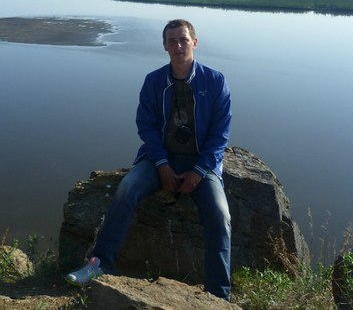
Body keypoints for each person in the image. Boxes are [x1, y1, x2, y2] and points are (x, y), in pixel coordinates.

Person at [66, 19, 232, 299]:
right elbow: (146, 127)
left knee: (220, 214)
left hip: (201, 164)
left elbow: (221, 133)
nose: (178, 46)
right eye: (172, 41)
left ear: (194, 42)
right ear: (165, 46)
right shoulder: (154, 81)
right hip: (160, 159)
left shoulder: (215, 81)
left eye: (183, 39)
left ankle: (218, 295)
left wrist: (199, 171)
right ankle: (99, 264)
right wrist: (162, 165)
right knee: (127, 188)